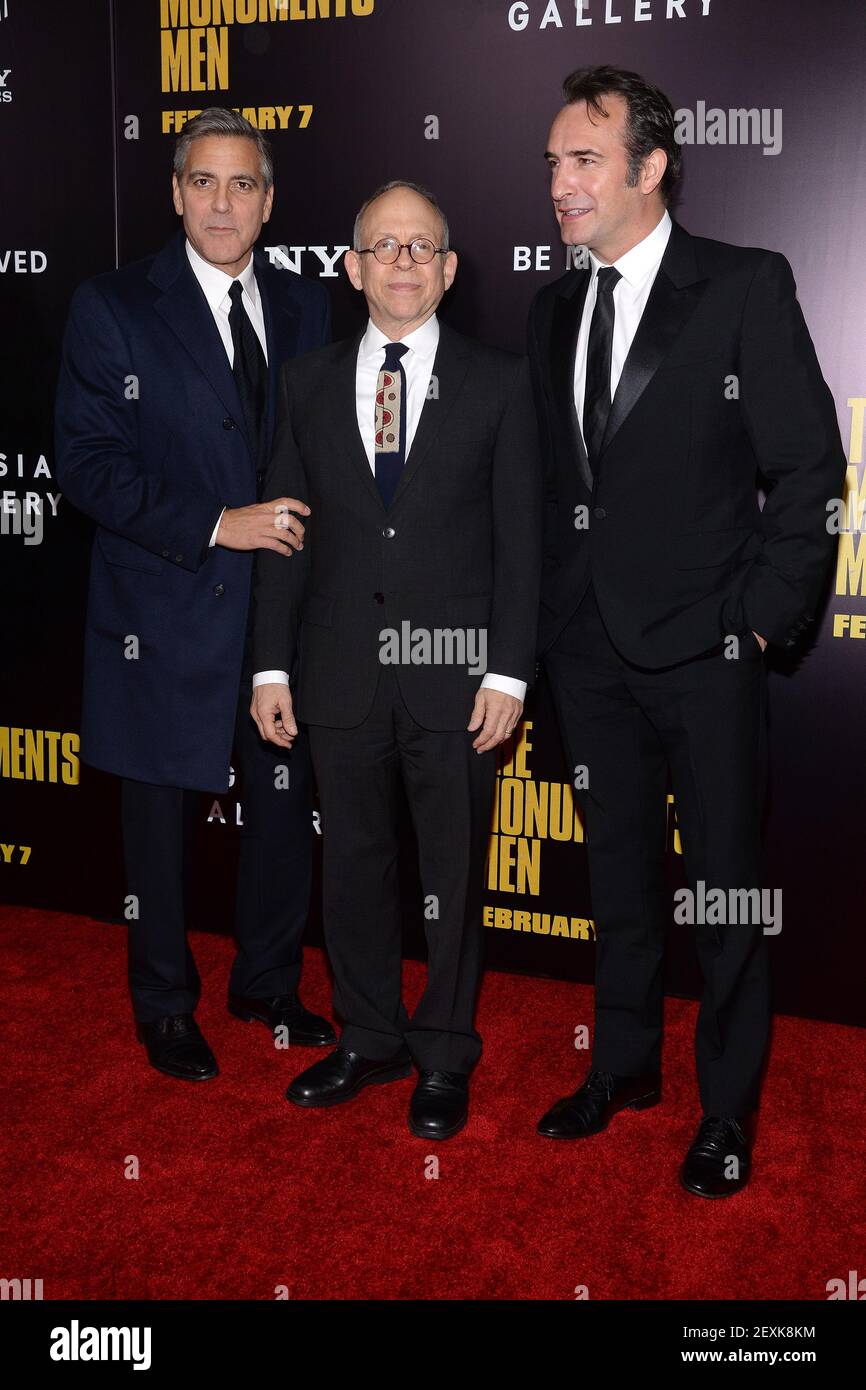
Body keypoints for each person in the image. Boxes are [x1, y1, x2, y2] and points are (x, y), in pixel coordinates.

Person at [528, 66, 845, 1195]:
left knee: (719, 890)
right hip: (584, 650)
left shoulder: (740, 285)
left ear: (648, 169)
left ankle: (725, 1110)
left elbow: (809, 464)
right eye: (554, 161)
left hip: (706, 651)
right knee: (614, 878)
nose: (558, 183)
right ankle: (622, 1069)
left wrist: (759, 625)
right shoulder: (556, 302)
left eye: (582, 162)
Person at [251, 181, 542, 1139]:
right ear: (352, 267)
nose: (405, 261)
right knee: (356, 870)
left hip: (456, 679)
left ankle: (445, 1054)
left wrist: (507, 673)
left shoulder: (501, 382)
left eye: (423, 247)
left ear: (450, 270)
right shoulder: (305, 382)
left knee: (454, 874)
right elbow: (287, 535)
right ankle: (368, 1038)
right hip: (336, 673)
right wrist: (269, 668)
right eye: (385, 246)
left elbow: (522, 543)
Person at [55, 108, 335, 1082]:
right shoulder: (114, 305)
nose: (224, 202)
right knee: (159, 831)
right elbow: (87, 466)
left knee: (282, 811)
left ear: (268, 201)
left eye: (243, 184)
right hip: (161, 616)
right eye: (204, 183)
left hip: (278, 621)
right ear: (176, 195)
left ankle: (265, 981)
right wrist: (221, 523)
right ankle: (165, 1004)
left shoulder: (308, 309)